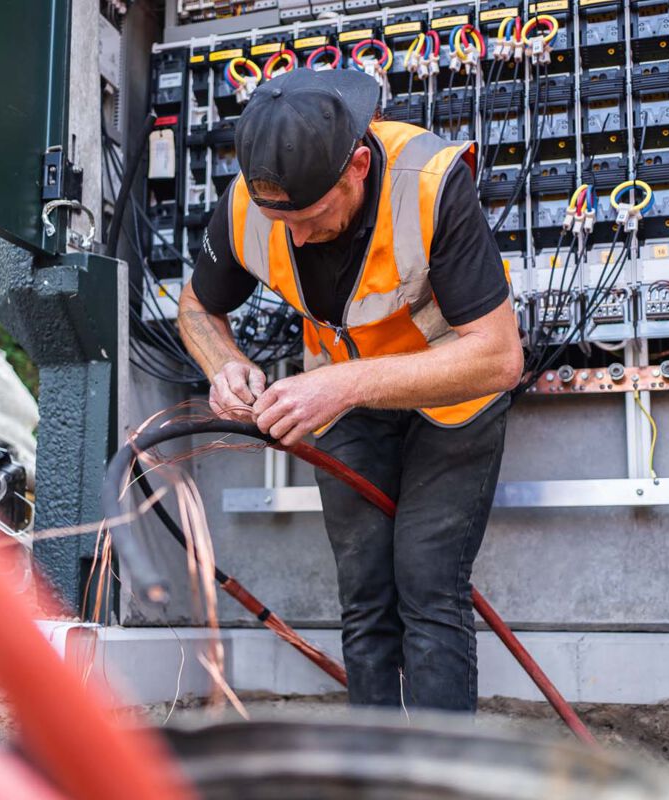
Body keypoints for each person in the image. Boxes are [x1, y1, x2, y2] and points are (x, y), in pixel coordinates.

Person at [177, 67, 522, 711]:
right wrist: (223, 363)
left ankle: (442, 765)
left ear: (358, 166)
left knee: (428, 583)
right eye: (281, 221)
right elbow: (197, 306)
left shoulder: (431, 183)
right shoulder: (251, 204)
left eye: (311, 216)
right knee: (365, 595)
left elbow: (500, 357)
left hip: (454, 397)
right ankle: (374, 757)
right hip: (342, 402)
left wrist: (345, 383)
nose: (296, 237)